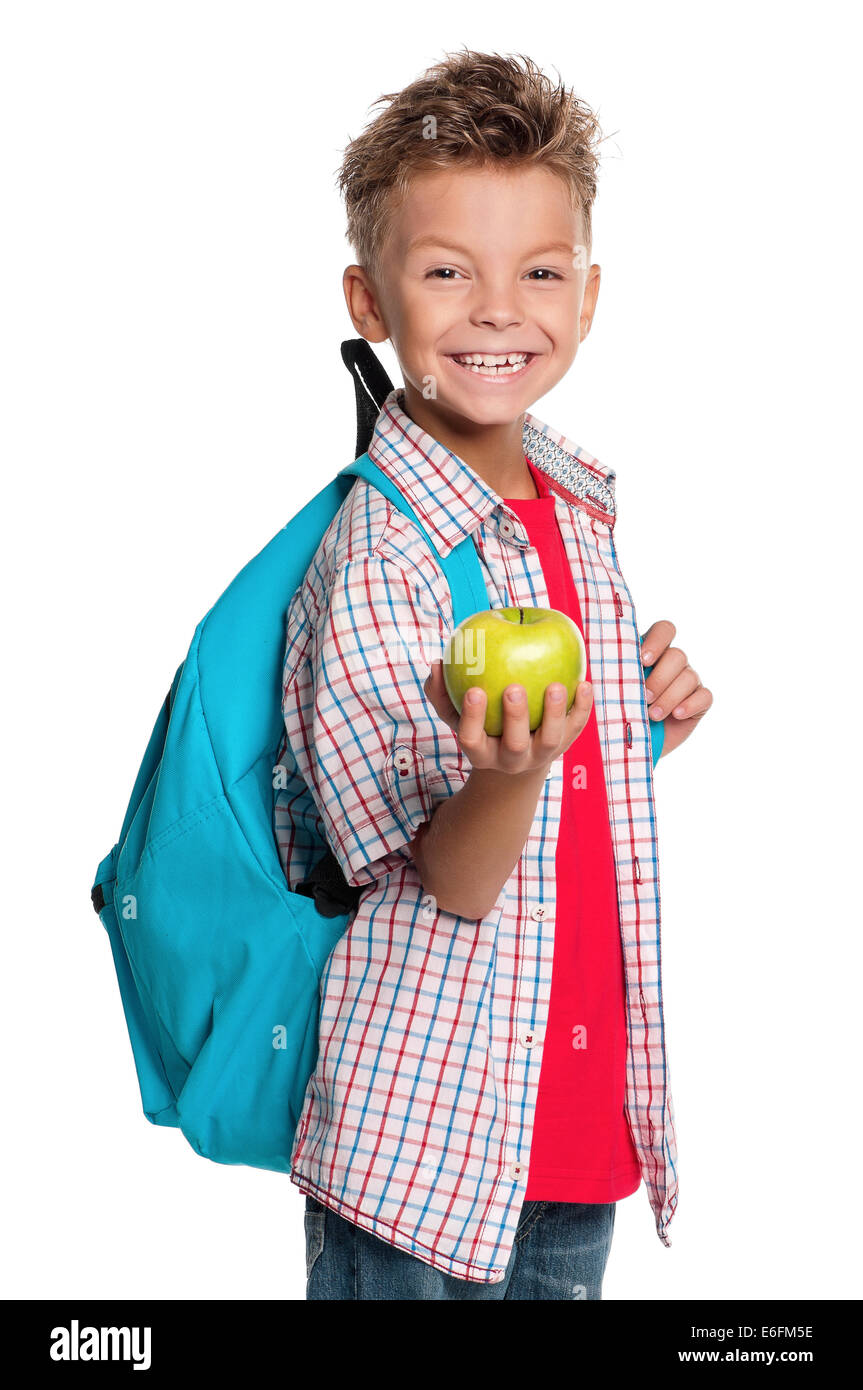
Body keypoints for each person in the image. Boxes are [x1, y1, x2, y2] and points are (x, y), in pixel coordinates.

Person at [274, 48, 711, 1300]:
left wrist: (626, 724)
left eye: (538, 271)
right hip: (424, 1152)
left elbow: (550, 786)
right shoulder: (380, 553)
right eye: (445, 271)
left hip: (575, 1128)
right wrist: (516, 764)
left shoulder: (572, 513)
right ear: (371, 298)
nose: (496, 309)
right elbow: (447, 876)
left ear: (587, 294)